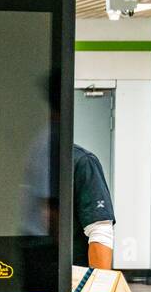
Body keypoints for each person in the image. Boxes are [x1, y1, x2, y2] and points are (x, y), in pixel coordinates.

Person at [20, 71, 116, 276]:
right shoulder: (36, 156)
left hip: (72, 279)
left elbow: (100, 231)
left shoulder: (81, 162)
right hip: (37, 271)